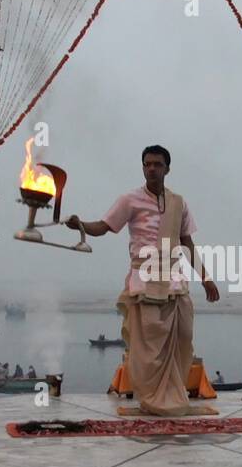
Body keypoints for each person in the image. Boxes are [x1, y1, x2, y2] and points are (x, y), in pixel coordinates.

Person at [66, 145, 220, 416]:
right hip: (144, 278)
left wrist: (206, 278)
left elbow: (187, 243)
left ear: (167, 169)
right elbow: (104, 226)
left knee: (183, 335)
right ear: (143, 168)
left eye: (157, 164)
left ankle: (173, 393)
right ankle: (152, 398)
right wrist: (81, 225)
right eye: (147, 164)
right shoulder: (130, 200)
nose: (152, 168)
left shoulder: (178, 202)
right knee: (150, 345)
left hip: (173, 277)